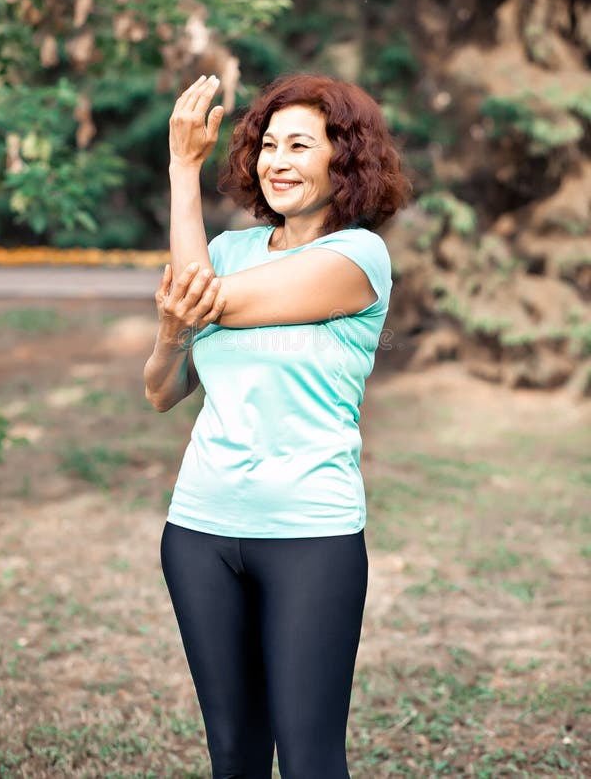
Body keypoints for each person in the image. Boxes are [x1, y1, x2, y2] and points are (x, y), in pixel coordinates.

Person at [144, 73, 410, 779]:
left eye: (301, 144)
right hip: (199, 531)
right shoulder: (229, 250)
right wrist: (171, 337)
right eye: (268, 144)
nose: (278, 160)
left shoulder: (357, 258)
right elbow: (163, 389)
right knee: (232, 756)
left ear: (343, 160)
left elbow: (203, 300)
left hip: (309, 538)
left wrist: (180, 169)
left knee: (310, 759)